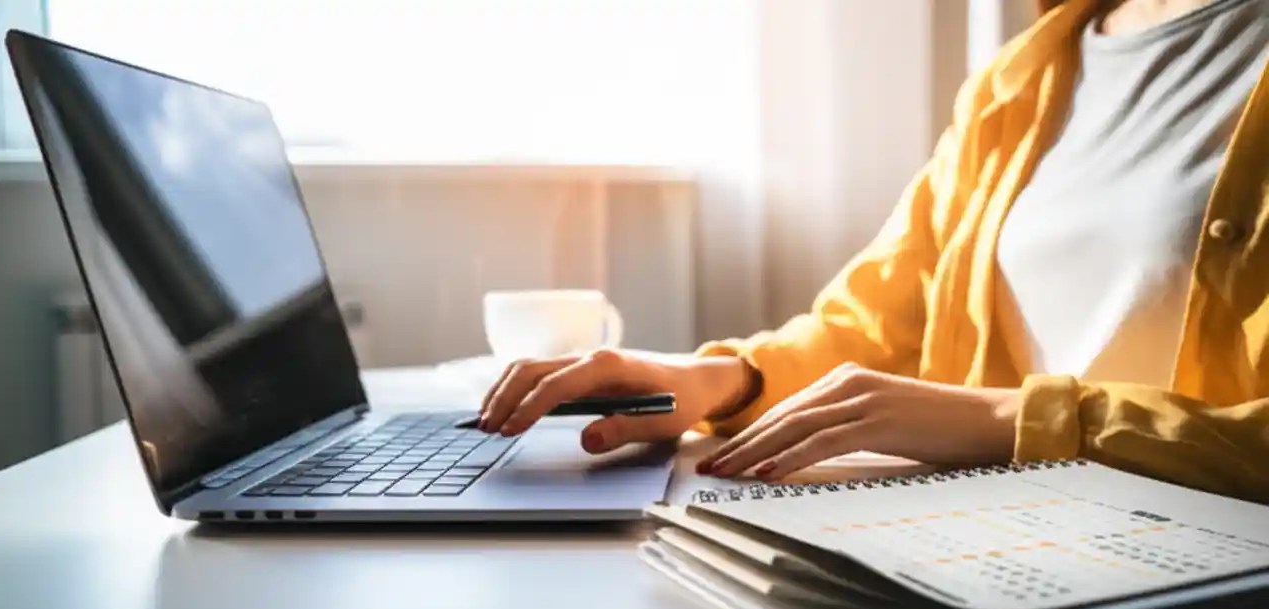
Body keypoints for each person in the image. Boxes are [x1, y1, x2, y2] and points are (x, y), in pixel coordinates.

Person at [475, 0, 1269, 503]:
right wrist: (723, 378)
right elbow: (878, 324)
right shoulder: (1024, 75)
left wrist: (1011, 420)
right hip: (1008, 541)